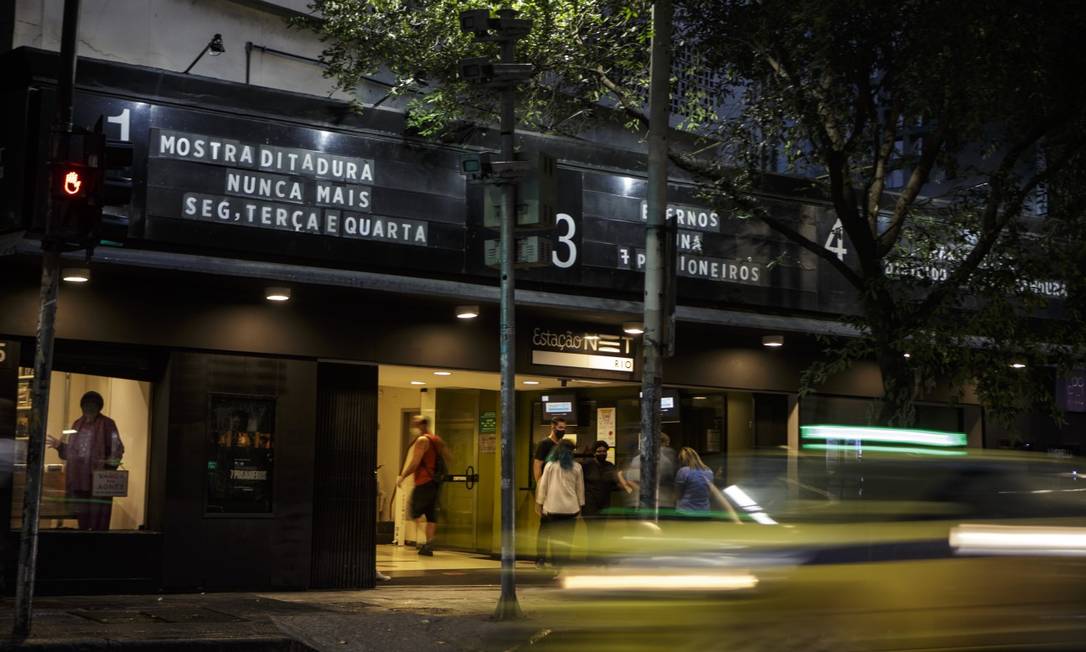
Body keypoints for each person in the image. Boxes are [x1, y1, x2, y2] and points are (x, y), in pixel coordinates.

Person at [46, 391, 125, 530]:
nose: (89, 408)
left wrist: (108, 468)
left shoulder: (107, 424)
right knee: (83, 521)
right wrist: (59, 446)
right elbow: (71, 452)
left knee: (99, 521)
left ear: (99, 407)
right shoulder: (77, 424)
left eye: (93, 405)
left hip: (99, 483)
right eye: (86, 405)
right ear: (82, 407)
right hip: (79, 481)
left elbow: (117, 449)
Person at [396, 416, 451, 556]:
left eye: (415, 423)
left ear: (421, 425)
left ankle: (427, 542)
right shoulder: (437, 440)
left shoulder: (422, 441)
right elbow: (449, 457)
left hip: (424, 482)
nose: (413, 425)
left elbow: (415, 463)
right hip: (435, 482)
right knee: (431, 515)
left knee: (413, 512)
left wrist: (403, 476)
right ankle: (428, 543)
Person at [535, 439, 584, 568]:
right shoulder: (577, 467)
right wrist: (580, 507)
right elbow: (580, 489)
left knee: (553, 538)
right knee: (567, 539)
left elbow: (543, 486)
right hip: (571, 509)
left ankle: (555, 564)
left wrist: (539, 504)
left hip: (552, 508)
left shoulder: (550, 465)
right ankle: (562, 565)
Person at [533, 416, 566, 567]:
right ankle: (541, 557)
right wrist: (540, 487)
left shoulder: (563, 446)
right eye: (560, 428)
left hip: (559, 490)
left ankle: (555, 558)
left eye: (564, 428)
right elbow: (537, 465)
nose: (562, 431)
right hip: (547, 489)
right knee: (545, 526)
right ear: (552, 427)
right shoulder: (544, 444)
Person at [617, 433, 678, 513]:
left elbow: (631, 481)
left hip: (646, 503)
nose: (667, 447)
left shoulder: (638, 459)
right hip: (659, 504)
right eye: (666, 444)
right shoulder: (666, 460)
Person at [580, 440, 619, 560]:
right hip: (590, 503)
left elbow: (614, 482)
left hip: (604, 503)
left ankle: (596, 555)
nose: (602, 453)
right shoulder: (586, 466)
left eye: (604, 451)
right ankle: (590, 556)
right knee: (591, 530)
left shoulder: (610, 466)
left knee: (600, 530)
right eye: (599, 451)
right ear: (594, 453)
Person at [674, 447, 715, 516]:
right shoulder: (709, 471)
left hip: (685, 511)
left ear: (682, 460)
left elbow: (678, 494)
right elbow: (710, 493)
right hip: (704, 512)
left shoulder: (683, 471)